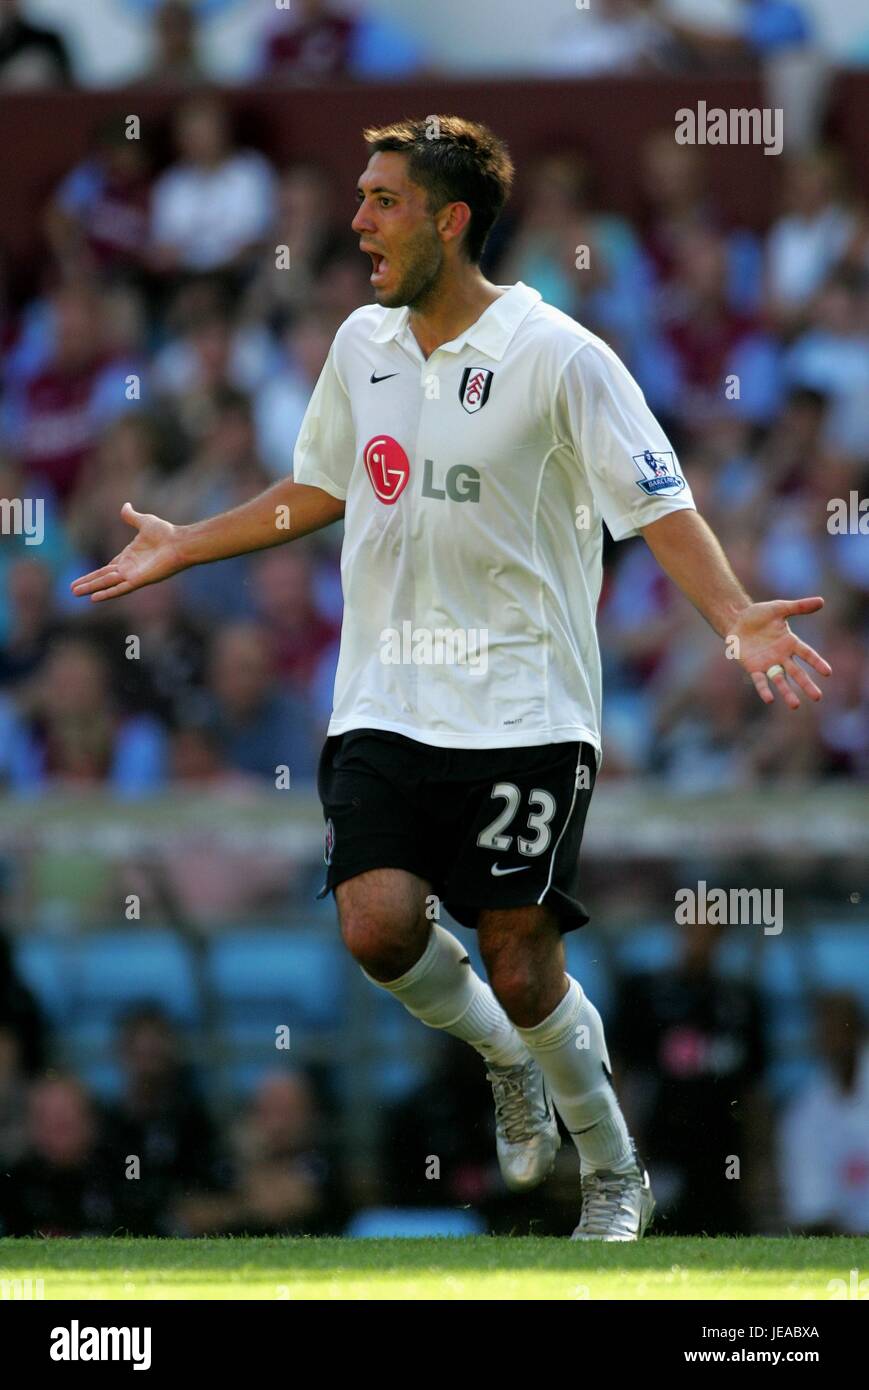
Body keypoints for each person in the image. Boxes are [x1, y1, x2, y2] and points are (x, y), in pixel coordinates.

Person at [71, 115, 831, 1241]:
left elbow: (658, 504)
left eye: (382, 201)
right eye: (362, 197)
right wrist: (191, 540)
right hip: (384, 696)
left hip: (525, 705)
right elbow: (321, 487)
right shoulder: (359, 347)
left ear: (450, 218)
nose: (357, 221)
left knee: (523, 966)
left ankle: (612, 1172)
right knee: (375, 927)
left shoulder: (561, 356)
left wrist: (732, 617)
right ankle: (501, 1061)